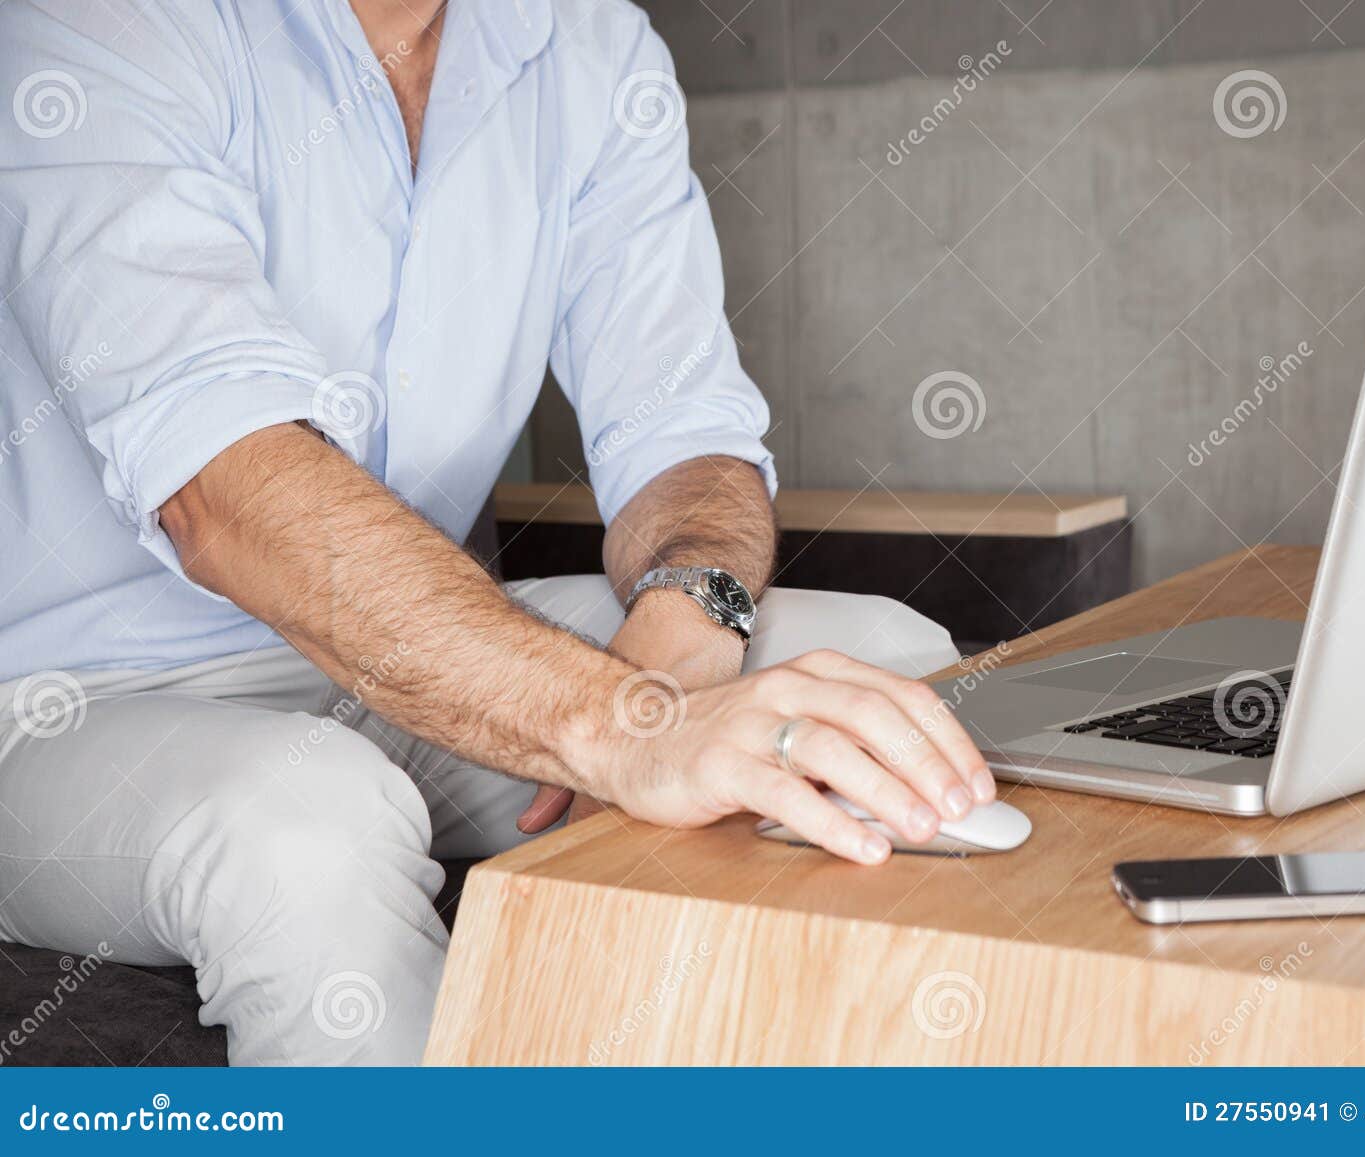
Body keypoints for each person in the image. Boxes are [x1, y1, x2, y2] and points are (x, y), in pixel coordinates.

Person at [0, 0, 995, 1064]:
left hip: (409, 666)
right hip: (69, 704)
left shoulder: (590, 43)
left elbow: (684, 432)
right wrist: (619, 725)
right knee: (304, 823)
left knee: (880, 669)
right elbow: (225, 493)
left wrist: (684, 628)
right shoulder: (98, 22)